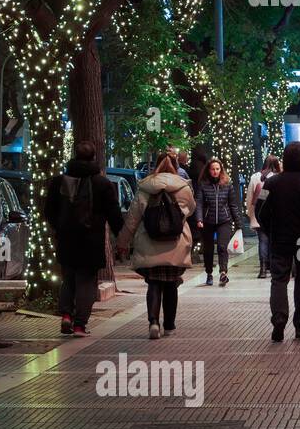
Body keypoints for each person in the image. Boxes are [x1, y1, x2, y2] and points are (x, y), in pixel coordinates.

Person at [43, 141, 125, 337]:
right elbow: (114, 214)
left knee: (68, 278)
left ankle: (66, 316)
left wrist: (59, 228)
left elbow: (49, 211)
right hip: (91, 240)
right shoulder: (102, 184)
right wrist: (121, 238)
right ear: (93, 157)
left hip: (66, 240)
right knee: (87, 282)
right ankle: (80, 324)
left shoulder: (58, 182)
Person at [115, 152, 196, 339]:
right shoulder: (183, 188)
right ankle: (169, 325)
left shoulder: (145, 188)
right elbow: (190, 210)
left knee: (154, 284)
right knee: (170, 286)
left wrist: (122, 242)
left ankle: (153, 322)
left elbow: (132, 219)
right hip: (175, 245)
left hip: (149, 243)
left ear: (155, 166)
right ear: (176, 167)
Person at [255, 140, 300, 342]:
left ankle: (279, 317)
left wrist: (270, 230)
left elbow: (260, 210)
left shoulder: (271, 183)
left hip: (279, 239)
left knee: (279, 279)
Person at [195, 157, 239, 287]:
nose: (215, 171)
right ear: (208, 170)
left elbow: (233, 205)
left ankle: (223, 272)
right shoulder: (203, 184)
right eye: (213, 169)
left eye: (217, 169)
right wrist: (199, 219)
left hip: (224, 220)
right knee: (208, 249)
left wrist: (238, 223)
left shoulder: (227, 184)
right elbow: (199, 203)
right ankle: (209, 273)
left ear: (221, 170)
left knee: (222, 247)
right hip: (207, 221)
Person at [246, 154, 280, 279]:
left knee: (263, 242)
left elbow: (250, 198)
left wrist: (250, 214)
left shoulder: (255, 177)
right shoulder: (280, 177)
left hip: (259, 213)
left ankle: (263, 269)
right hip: (276, 215)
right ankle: (273, 266)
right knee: (274, 241)